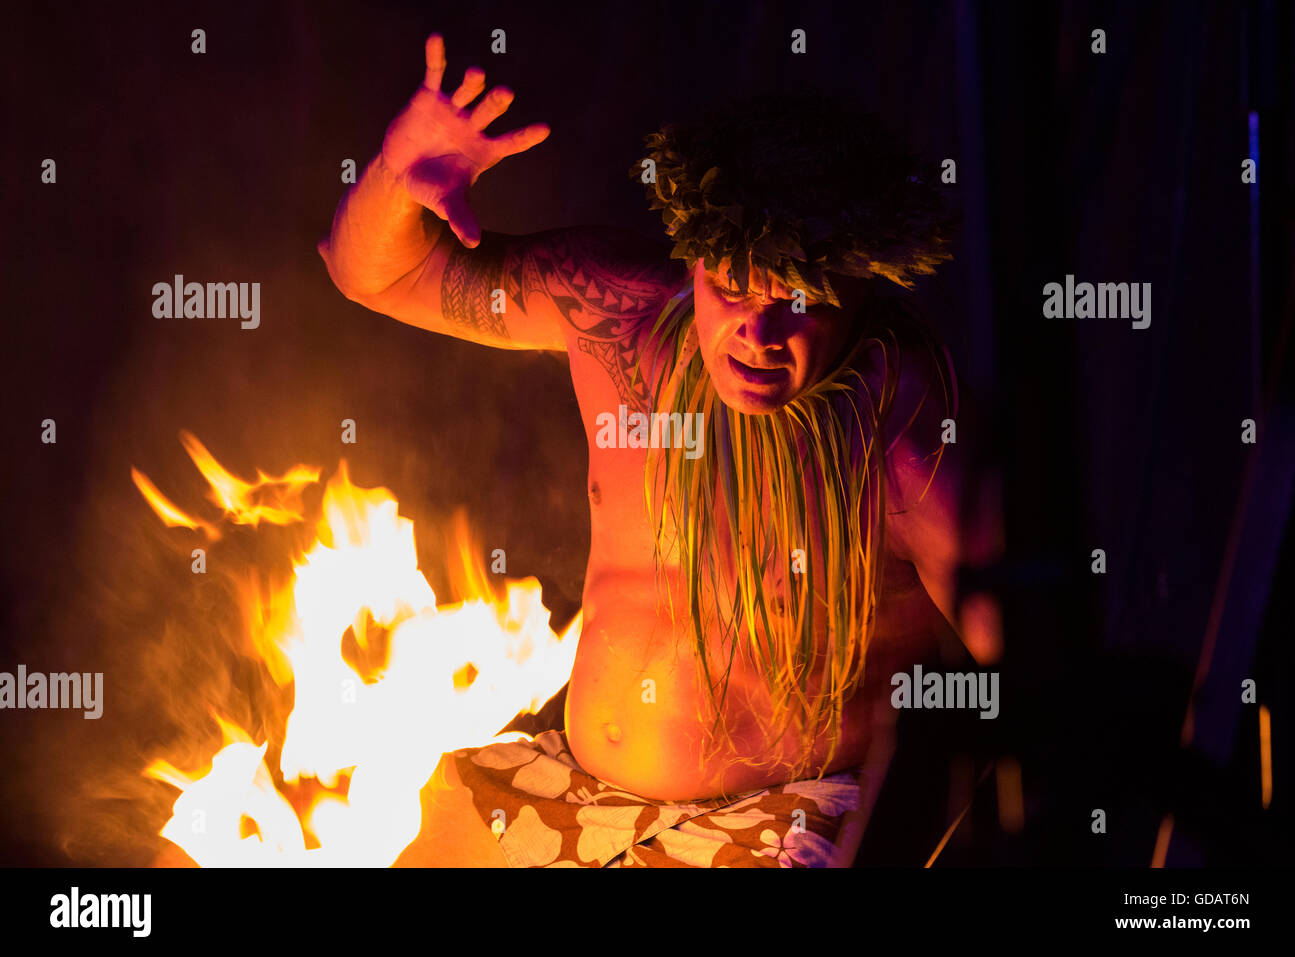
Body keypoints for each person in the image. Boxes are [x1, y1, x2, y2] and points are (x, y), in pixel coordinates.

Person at [319, 33, 970, 867]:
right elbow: (370, 273)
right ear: (693, 260)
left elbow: (1036, 684)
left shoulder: (911, 437)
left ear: (860, 288)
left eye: (799, 302)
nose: (757, 333)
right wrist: (395, 177)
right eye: (730, 287)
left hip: (783, 822)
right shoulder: (612, 314)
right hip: (579, 794)